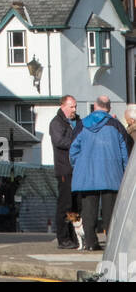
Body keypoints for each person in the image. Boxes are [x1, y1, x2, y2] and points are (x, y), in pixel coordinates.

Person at [69, 97, 131, 250]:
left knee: (88, 211)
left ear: (94, 107)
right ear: (109, 109)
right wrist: (124, 171)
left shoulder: (81, 125)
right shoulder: (116, 125)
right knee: (111, 213)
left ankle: (90, 243)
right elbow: (125, 153)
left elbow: (73, 151)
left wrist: (80, 166)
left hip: (86, 175)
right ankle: (112, 245)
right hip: (112, 174)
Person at [49, 95, 83, 249]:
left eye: (75, 106)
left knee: (76, 204)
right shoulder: (56, 123)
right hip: (64, 169)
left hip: (77, 169)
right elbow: (59, 142)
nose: (74, 110)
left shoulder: (78, 122)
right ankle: (63, 239)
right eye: (72, 106)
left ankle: (75, 237)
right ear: (63, 106)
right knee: (65, 204)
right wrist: (77, 143)